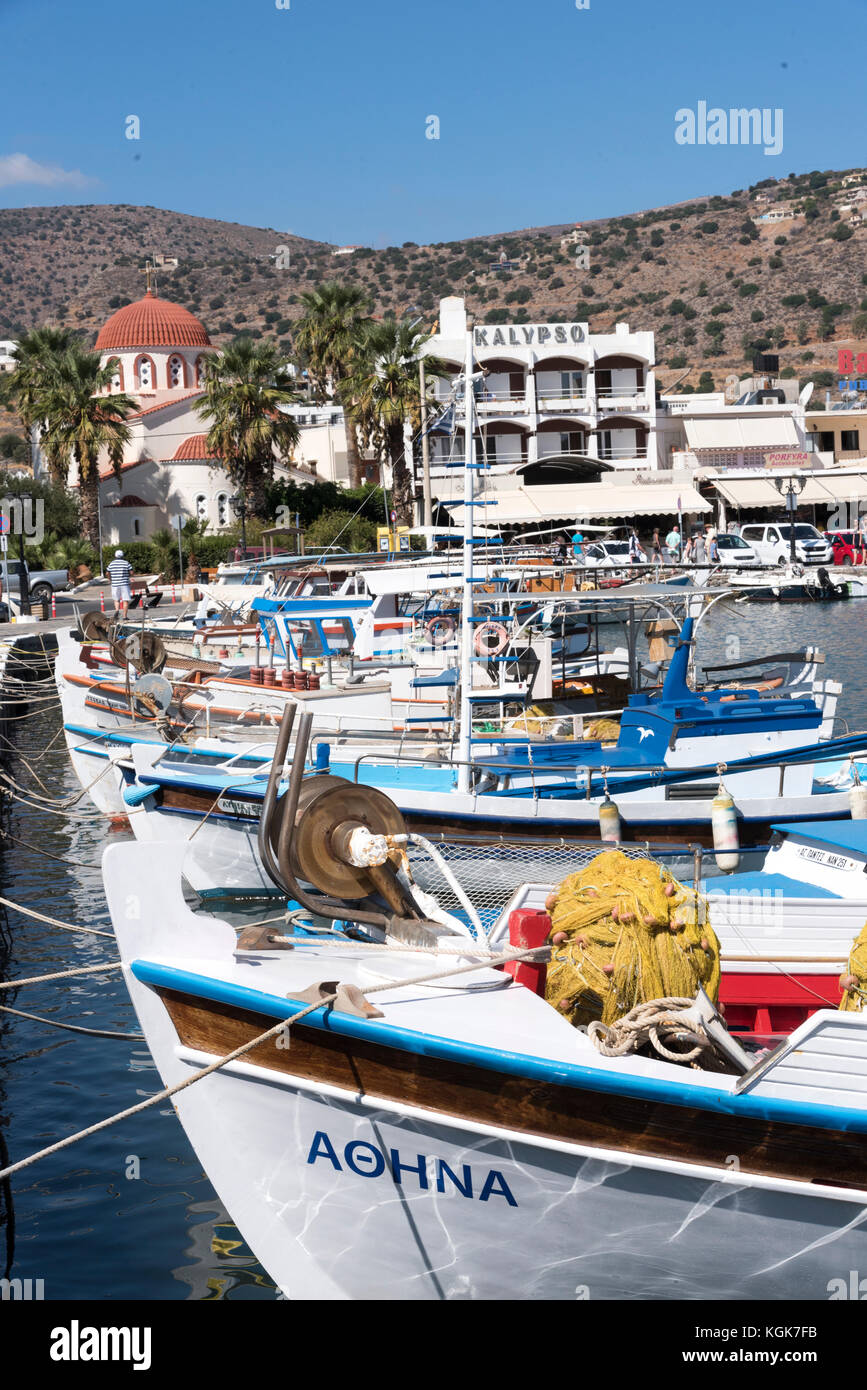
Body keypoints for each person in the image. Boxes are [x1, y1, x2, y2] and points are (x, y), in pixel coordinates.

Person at [106, 548, 133, 616]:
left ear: (115, 556)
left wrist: (110, 579)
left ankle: (117, 611)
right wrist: (128, 576)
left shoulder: (112, 564)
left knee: (116, 600)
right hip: (125, 584)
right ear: (122, 555)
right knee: (125, 600)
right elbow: (132, 572)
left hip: (115, 584)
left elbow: (107, 573)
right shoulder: (126, 563)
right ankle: (124, 616)